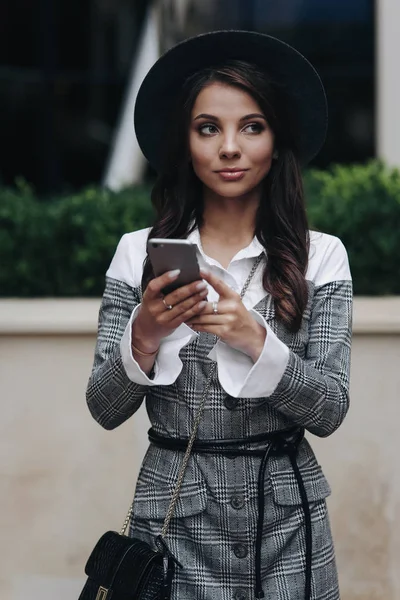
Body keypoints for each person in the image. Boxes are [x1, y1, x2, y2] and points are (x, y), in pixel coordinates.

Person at [86, 31, 352, 600]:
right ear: (185, 142)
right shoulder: (139, 253)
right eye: (209, 128)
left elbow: (330, 409)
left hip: (287, 523)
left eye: (251, 126)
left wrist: (257, 340)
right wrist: (146, 333)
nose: (229, 147)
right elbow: (104, 407)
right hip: (172, 522)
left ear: (278, 140)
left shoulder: (321, 255)